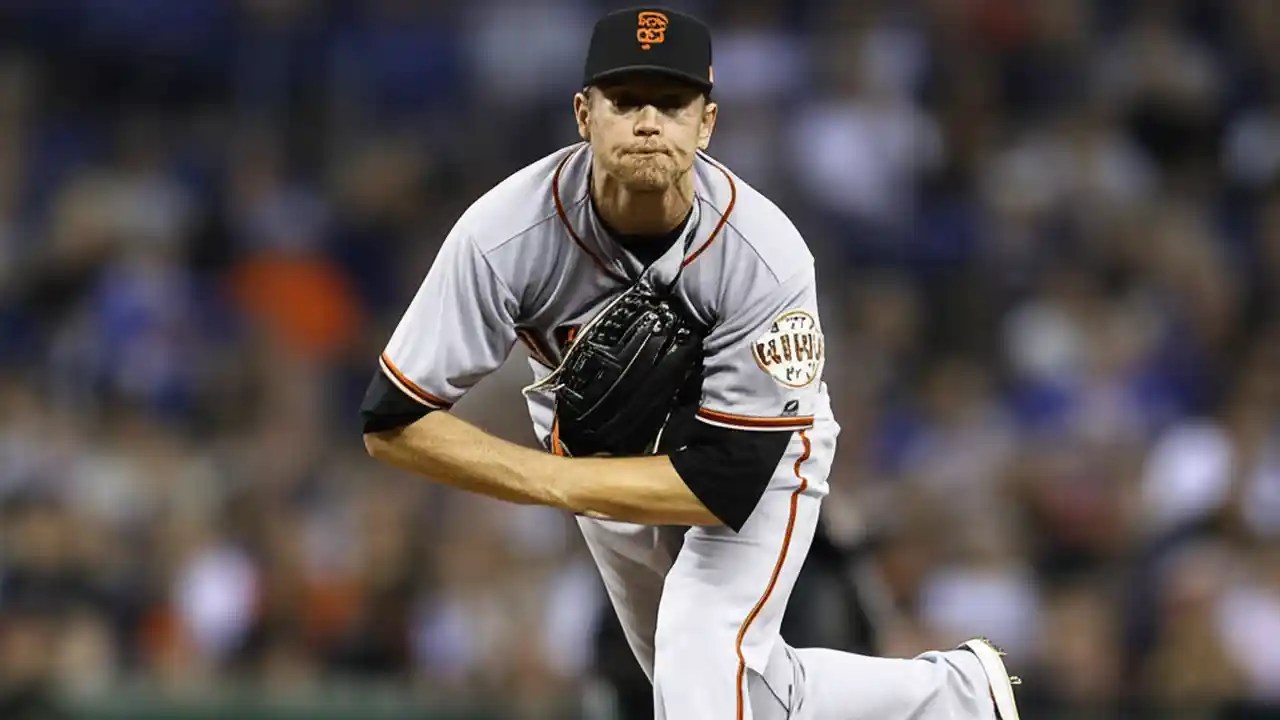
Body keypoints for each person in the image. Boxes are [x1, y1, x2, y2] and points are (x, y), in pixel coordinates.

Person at [361, 7, 1021, 718]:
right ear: (584, 113)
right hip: (595, 463)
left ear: (707, 123)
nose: (649, 122)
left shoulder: (764, 253)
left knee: (700, 658)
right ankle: (953, 699)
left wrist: (556, 481)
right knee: (702, 690)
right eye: (626, 101)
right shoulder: (507, 233)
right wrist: (559, 479)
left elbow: (725, 480)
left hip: (755, 455)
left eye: (672, 104)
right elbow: (393, 420)